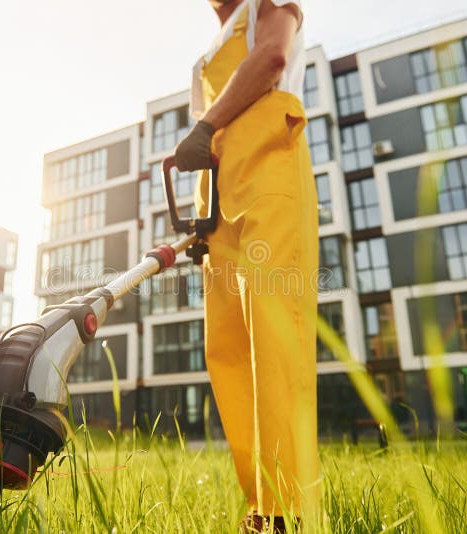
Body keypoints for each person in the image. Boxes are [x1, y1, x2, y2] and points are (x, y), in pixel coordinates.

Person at [173, 0, 320, 530]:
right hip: (216, 193)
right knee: (229, 350)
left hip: (270, 172)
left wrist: (205, 124)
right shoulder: (206, 56)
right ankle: (261, 508)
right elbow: (206, 133)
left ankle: (290, 511)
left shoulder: (267, 5)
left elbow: (271, 58)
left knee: (276, 337)